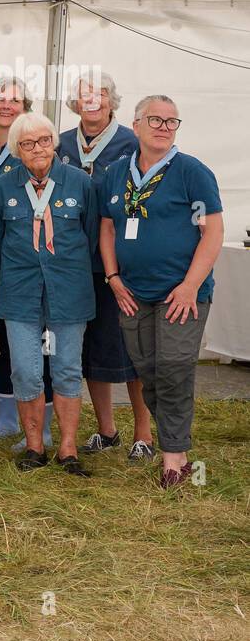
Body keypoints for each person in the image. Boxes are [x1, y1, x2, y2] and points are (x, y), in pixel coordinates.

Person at [100, 96, 223, 489]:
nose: (164, 127)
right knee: (148, 372)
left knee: (173, 369)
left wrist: (189, 286)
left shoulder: (192, 172)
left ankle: (175, 457)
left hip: (181, 295)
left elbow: (212, 231)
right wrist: (113, 277)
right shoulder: (116, 173)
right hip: (132, 294)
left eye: (172, 121)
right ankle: (175, 445)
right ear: (135, 125)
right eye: (155, 119)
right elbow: (107, 228)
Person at [0, 112, 97, 477]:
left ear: (55, 142)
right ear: (18, 150)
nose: (38, 149)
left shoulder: (80, 183)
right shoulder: (3, 187)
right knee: (25, 370)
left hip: (69, 290)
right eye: (28, 143)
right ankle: (34, 446)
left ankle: (68, 448)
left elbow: (93, 237)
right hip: (20, 291)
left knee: (68, 369)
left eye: (44, 141)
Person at [57, 72, 152, 459]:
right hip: (75, 265)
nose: (91, 100)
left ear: (113, 101)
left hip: (121, 265)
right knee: (93, 350)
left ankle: (143, 436)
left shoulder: (133, 144)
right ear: (74, 103)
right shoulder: (60, 143)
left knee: (133, 349)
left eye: (99, 94)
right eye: (84, 94)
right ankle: (106, 430)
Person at [0, 76, 52, 442]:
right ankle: (6, 419)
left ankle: (42, 426)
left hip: (28, 265)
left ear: (25, 108)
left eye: (14, 100)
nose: (6, 105)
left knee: (39, 347)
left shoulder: (36, 150)